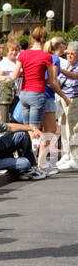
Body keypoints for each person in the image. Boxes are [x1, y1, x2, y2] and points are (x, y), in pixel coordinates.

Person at [14, 26, 65, 173]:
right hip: (39, 93)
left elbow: (15, 75)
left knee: (29, 128)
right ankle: (39, 163)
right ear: (44, 39)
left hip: (24, 94)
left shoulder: (23, 54)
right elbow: (51, 80)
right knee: (42, 130)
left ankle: (29, 161)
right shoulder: (46, 57)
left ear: (32, 37)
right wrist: (63, 95)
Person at [55, 42, 78, 170]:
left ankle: (75, 156)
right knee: (63, 127)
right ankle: (67, 154)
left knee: (73, 128)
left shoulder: (70, 68)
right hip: (64, 99)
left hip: (74, 99)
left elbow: (75, 76)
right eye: (68, 53)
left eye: (72, 54)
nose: (69, 56)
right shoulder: (68, 65)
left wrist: (60, 70)